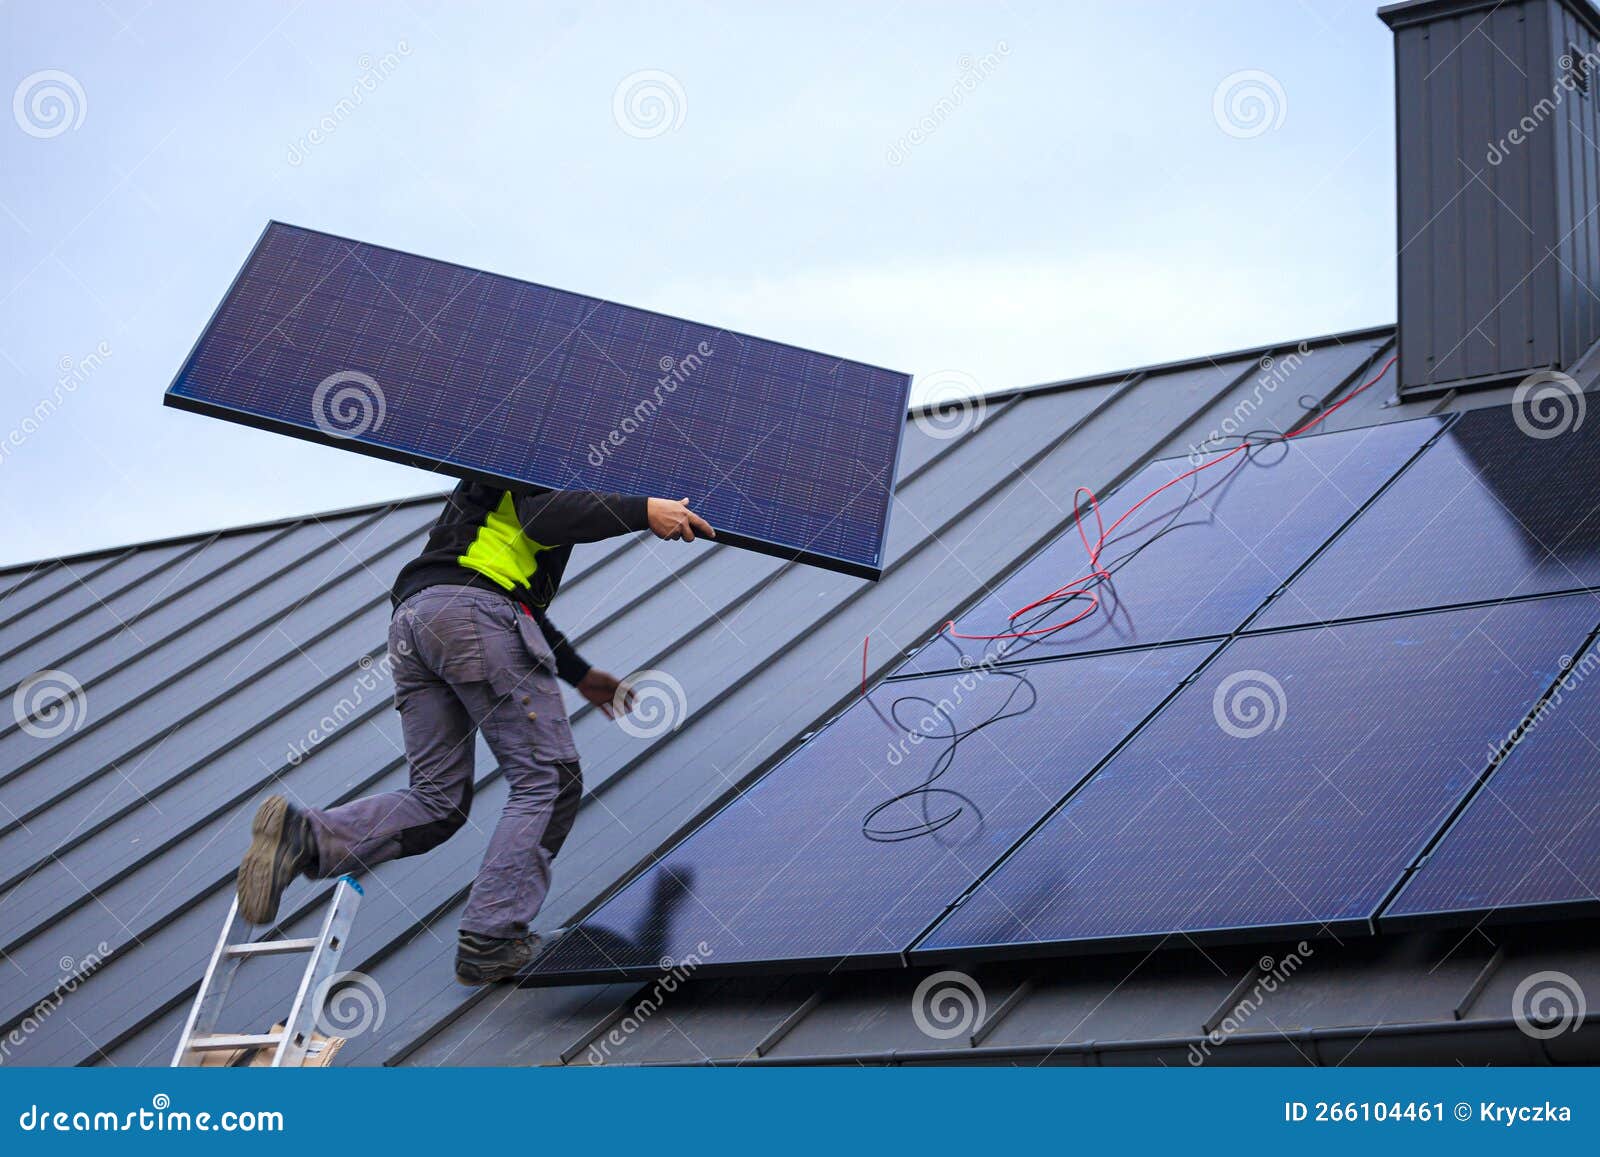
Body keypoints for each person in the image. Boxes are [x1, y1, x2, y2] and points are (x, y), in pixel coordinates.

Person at [234, 483, 713, 984]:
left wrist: (579, 673)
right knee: (548, 778)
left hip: (416, 620)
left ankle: (305, 836)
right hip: (473, 611)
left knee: (438, 801)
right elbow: (543, 518)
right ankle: (493, 937)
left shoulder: (503, 463)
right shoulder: (548, 432)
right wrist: (642, 509)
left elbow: (517, 591)